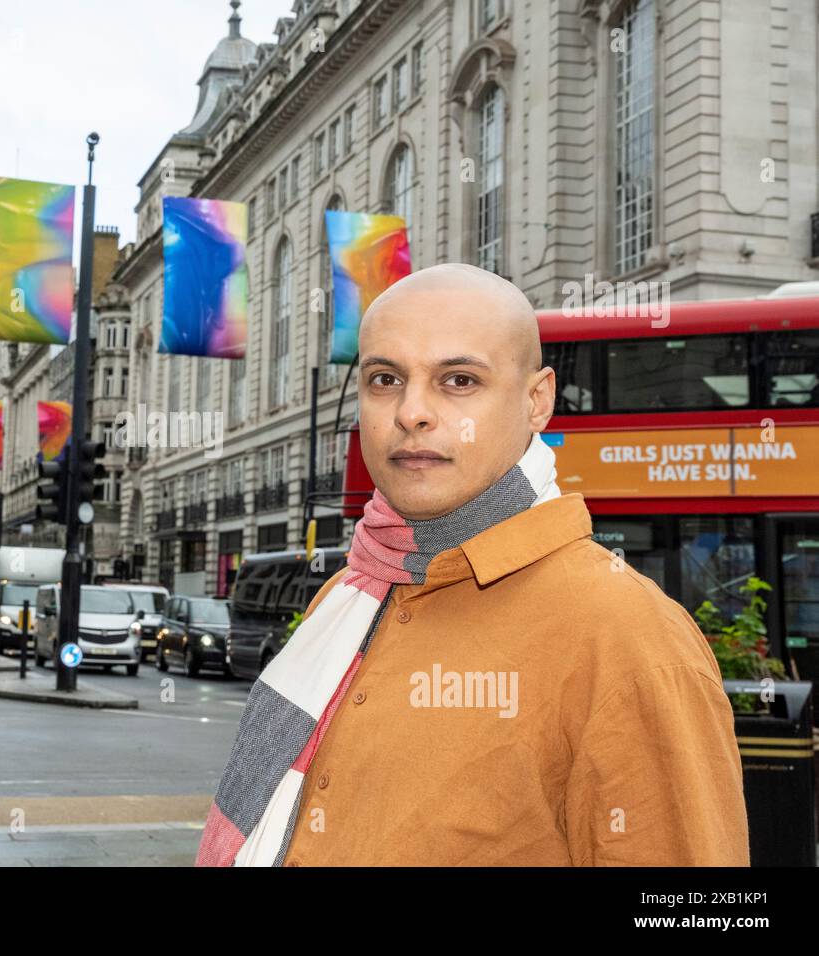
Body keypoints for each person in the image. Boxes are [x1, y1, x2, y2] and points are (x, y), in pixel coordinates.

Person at [197, 264, 749, 868]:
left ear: (537, 400)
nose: (412, 412)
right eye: (385, 379)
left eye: (458, 380)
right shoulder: (347, 592)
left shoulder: (629, 638)